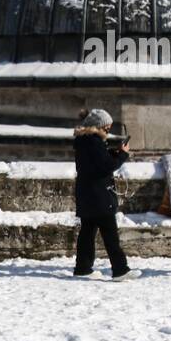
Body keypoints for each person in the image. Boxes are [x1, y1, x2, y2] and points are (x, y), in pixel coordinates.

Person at [73, 109, 139, 281]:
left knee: (87, 233)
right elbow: (105, 166)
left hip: (88, 194)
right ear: (99, 126)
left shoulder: (84, 141)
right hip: (99, 196)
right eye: (107, 128)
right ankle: (120, 269)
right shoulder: (94, 142)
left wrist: (113, 153)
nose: (108, 131)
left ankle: (83, 267)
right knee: (110, 235)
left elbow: (97, 162)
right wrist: (123, 155)